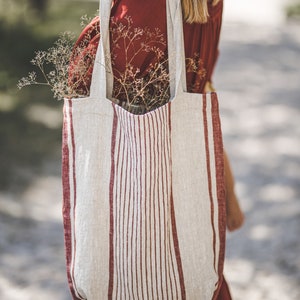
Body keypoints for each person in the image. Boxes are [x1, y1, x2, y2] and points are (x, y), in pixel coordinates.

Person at [68, 0, 244, 298]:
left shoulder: (141, 6)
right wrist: (226, 187)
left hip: (135, 179)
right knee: (186, 272)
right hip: (189, 169)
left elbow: (92, 73)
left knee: (131, 273)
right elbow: (200, 89)